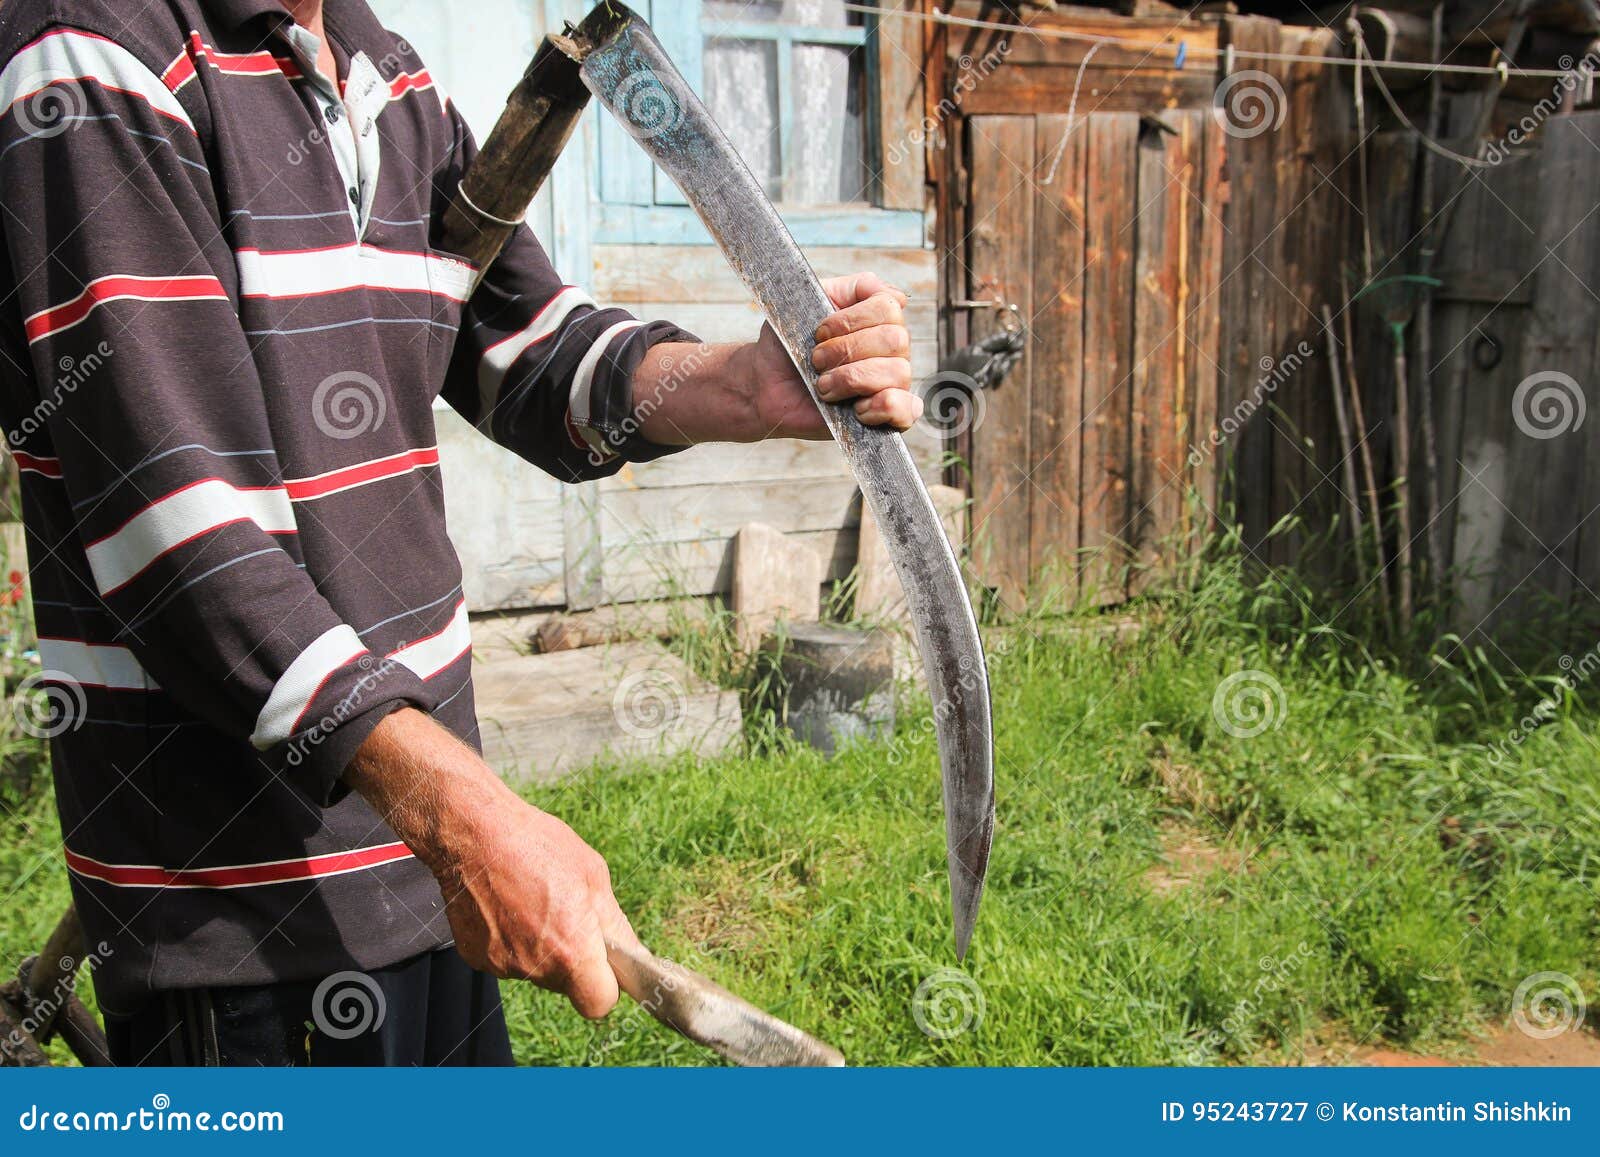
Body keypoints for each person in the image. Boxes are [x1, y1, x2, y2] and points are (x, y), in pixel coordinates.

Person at [0, 0, 919, 1065]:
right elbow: (182, 541)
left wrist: (742, 386)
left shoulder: (378, 65)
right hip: (240, 911)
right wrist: (469, 818)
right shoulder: (92, 56)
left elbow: (524, 349)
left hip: (422, 858)